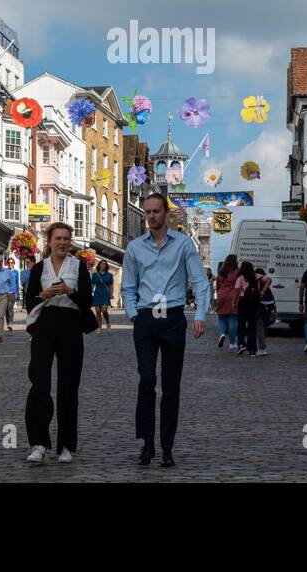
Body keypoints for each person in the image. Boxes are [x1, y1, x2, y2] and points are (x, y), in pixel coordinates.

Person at [122, 192, 209, 468]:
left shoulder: (183, 244)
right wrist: (135, 316)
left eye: (156, 211)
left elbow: (199, 280)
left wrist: (201, 315)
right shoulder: (135, 248)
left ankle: (167, 447)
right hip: (146, 320)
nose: (151, 216)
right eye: (147, 212)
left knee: (171, 387)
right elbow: (128, 286)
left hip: (172, 319)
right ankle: (147, 444)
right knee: (146, 380)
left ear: (166, 213)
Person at [23, 222, 93, 465]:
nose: (63, 242)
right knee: (40, 383)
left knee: (68, 386)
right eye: (58, 239)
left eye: (66, 238)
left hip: (70, 324)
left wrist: (70, 291)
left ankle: (66, 445)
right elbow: (29, 301)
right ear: (49, 241)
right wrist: (44, 295)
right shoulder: (39, 268)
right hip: (44, 323)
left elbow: (87, 300)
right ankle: (39, 443)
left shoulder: (79, 266)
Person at [234, 261, 262, 356]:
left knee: (241, 325)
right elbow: (268, 279)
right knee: (252, 327)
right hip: (254, 302)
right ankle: (252, 350)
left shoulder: (241, 278)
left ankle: (241, 344)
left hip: (243, 301)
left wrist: (234, 302)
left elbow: (237, 291)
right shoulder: (256, 276)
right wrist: (262, 291)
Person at [214, 254, 239, 350]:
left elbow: (218, 286)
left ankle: (222, 334)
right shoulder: (237, 272)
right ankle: (232, 343)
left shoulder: (221, 272)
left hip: (221, 295)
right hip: (232, 296)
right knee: (232, 319)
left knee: (221, 318)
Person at [255, 267, 274, 355]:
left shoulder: (258, 278)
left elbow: (269, 279)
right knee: (263, 325)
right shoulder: (263, 280)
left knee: (259, 326)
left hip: (261, 304)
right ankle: (262, 345)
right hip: (269, 304)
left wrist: (262, 292)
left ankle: (262, 348)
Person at [91, 258, 114, 330]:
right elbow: (93, 284)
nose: (103, 265)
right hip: (97, 293)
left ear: (106, 266)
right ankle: (99, 327)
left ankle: (107, 322)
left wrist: (111, 294)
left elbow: (111, 285)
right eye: (102, 264)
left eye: (105, 264)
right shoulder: (94, 275)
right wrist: (91, 292)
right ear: (99, 265)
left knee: (104, 310)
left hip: (105, 293)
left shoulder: (109, 275)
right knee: (97, 311)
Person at [4, 258, 19, 330]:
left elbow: (17, 283)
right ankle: (8, 322)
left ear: (13, 264)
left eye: (12, 263)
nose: (10, 264)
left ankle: (11, 323)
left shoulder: (16, 272)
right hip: (5, 293)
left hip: (12, 293)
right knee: (6, 309)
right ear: (7, 263)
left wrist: (17, 294)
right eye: (9, 263)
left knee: (10, 307)